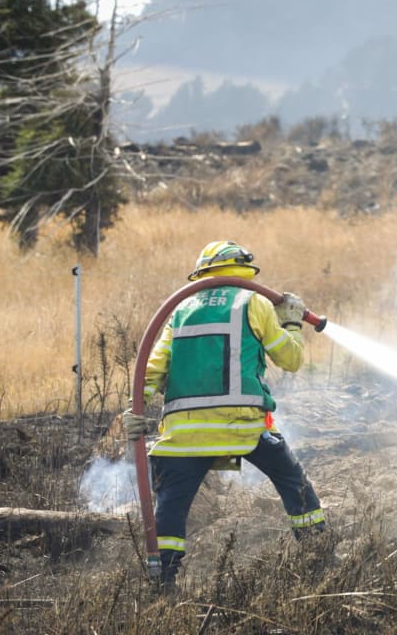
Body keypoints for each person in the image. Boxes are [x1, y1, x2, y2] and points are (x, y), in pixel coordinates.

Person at [122, 240, 326, 590]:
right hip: (241, 427)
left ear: (204, 273)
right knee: (293, 482)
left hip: (183, 434)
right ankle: (317, 555)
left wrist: (134, 410)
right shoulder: (253, 302)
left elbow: (150, 369)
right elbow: (290, 360)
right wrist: (292, 323)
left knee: (170, 505)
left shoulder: (182, 308)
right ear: (243, 271)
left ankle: (161, 580)